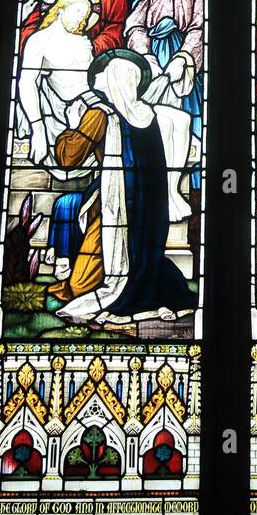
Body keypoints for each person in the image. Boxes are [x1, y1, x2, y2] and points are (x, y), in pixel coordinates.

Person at [51, 50, 195, 326]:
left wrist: (72, 124)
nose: (98, 82)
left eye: (104, 76)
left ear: (117, 80)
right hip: (144, 205)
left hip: (119, 207)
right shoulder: (149, 115)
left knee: (84, 284)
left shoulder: (101, 114)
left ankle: (122, 286)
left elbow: (67, 157)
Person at [124, 0, 204, 188]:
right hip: (153, 60)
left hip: (186, 60)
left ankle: (187, 185)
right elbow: (135, 25)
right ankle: (150, 179)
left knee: (185, 116)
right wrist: (146, 56)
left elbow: (200, 26)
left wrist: (183, 58)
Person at [16, 0, 99, 165]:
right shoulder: (39, 40)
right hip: (61, 109)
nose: (80, 19)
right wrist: (38, 129)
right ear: (60, 9)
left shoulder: (82, 41)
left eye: (84, 16)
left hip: (94, 102)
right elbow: (27, 82)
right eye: (77, 11)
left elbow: (95, 78)